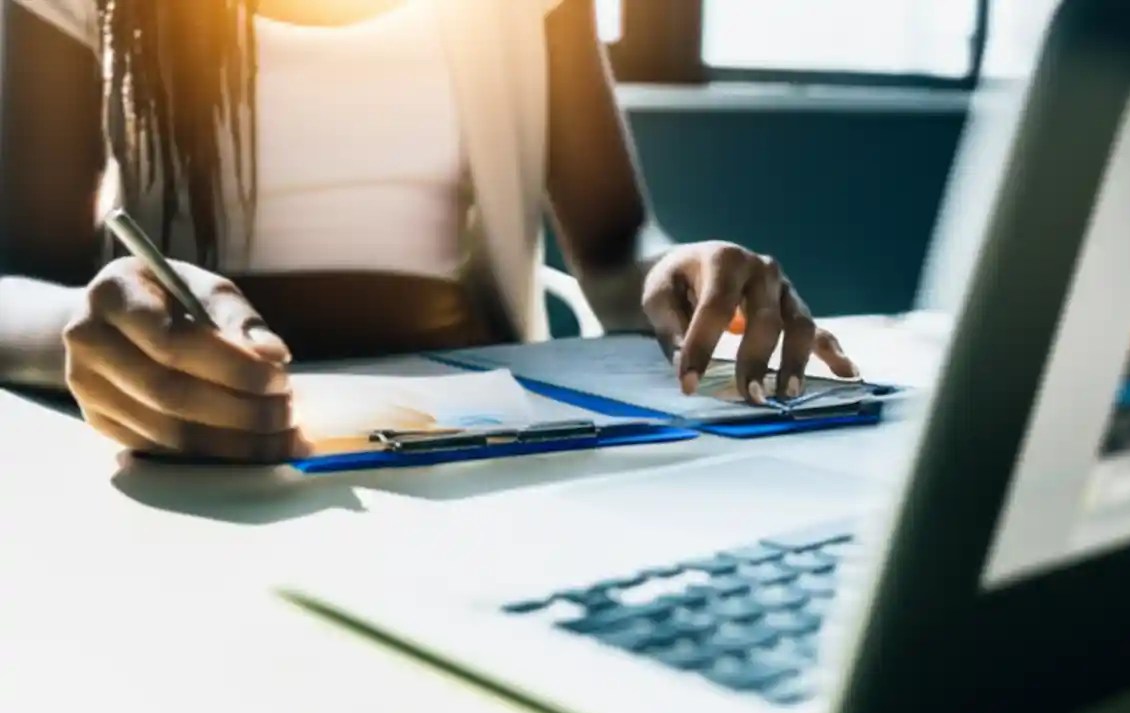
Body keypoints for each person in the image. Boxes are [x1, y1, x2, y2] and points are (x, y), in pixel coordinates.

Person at [0, 0, 857, 462]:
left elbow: (614, 249)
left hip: (487, 440)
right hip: (206, 443)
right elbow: (14, 284)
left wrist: (680, 271)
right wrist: (89, 329)